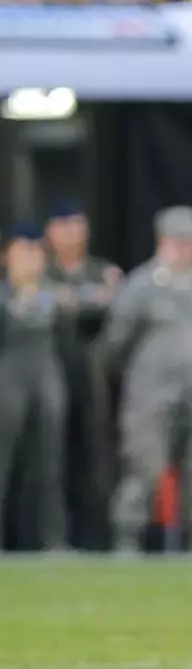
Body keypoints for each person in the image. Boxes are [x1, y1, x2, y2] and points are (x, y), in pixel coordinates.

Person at [102, 207, 192, 553]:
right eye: (178, 242)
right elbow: (116, 343)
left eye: (191, 242)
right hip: (151, 392)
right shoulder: (140, 284)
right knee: (143, 466)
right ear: (162, 241)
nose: (185, 249)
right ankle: (128, 537)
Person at [42, 199, 120, 551]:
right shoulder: (42, 272)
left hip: (93, 380)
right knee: (50, 461)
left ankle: (95, 541)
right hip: (51, 373)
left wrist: (77, 299)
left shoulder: (99, 269)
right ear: (51, 232)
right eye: (65, 226)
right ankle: (51, 537)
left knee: (95, 462)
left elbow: (112, 304)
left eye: (78, 226)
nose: (73, 234)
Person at [0, 222, 69, 551]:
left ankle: (50, 541)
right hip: (8, 378)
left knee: (48, 465)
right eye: (23, 250)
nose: (31, 258)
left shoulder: (54, 294)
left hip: (46, 376)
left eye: (36, 250)